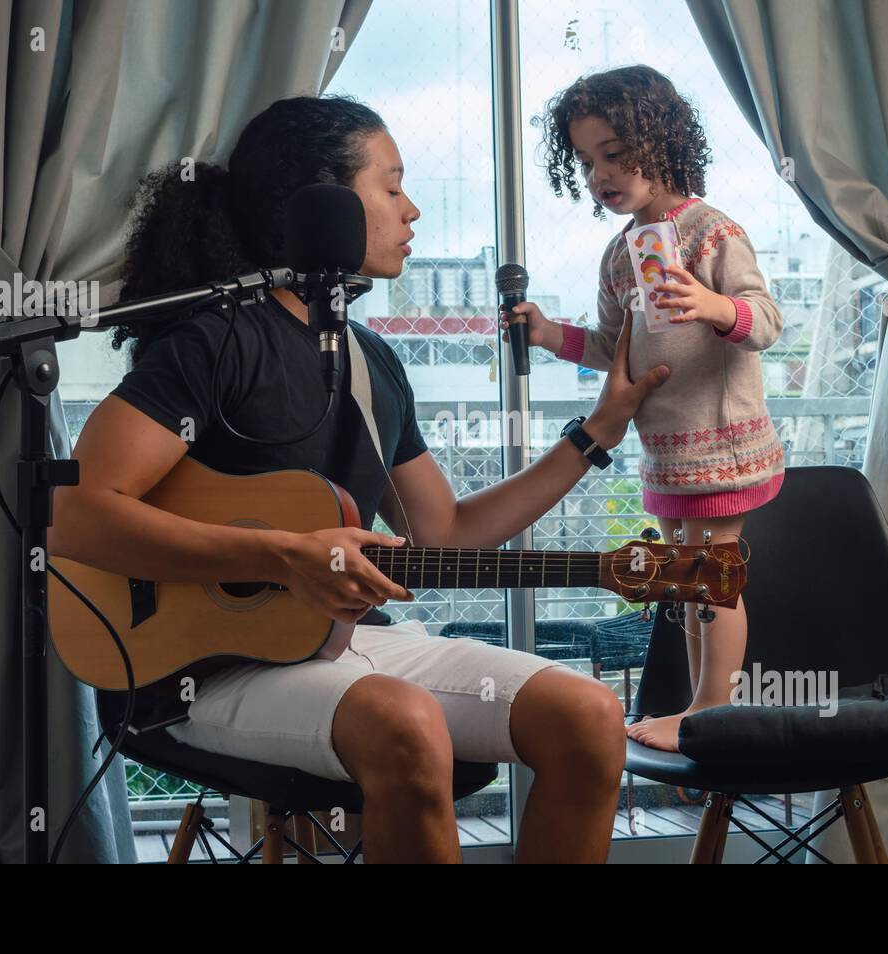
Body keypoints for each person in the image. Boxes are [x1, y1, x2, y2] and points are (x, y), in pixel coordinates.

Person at [49, 95, 670, 863]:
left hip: (348, 647)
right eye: (392, 186)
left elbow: (444, 533)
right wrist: (278, 558)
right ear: (325, 206)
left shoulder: (370, 361)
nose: (412, 211)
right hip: (195, 676)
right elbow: (76, 518)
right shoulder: (212, 343)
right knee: (403, 723)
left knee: (587, 714)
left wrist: (596, 434)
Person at [502, 66, 786, 752]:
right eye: (587, 159)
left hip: (724, 447)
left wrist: (714, 306)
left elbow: (768, 320)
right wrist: (546, 334)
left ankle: (707, 711)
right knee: (689, 578)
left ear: (661, 143)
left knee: (713, 573)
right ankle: (700, 705)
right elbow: (611, 348)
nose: (601, 173)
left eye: (615, 153)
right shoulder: (619, 256)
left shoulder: (711, 232)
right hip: (668, 457)